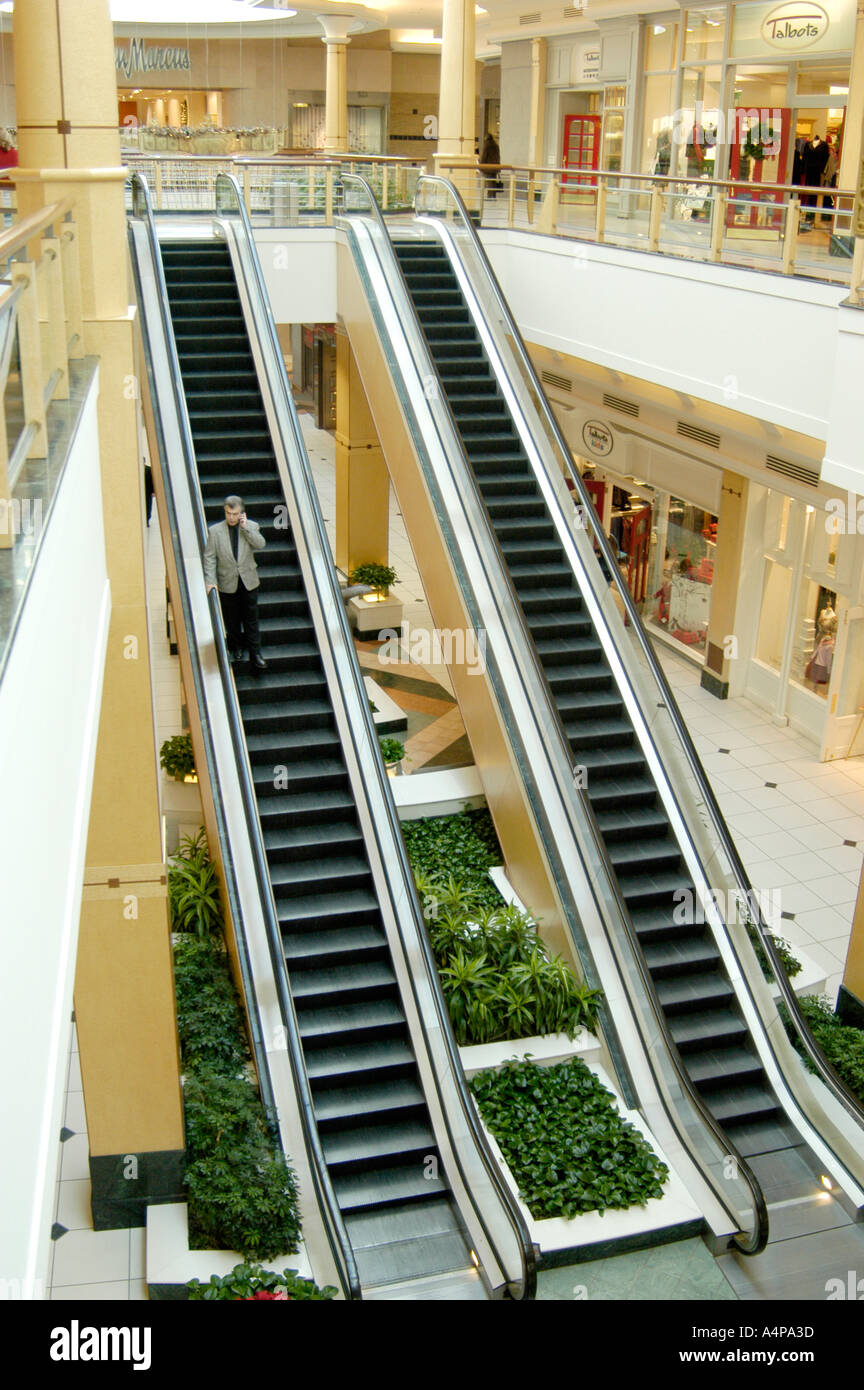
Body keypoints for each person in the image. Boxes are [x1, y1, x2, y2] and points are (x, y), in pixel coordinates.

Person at [203, 495, 267, 669]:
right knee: (232, 620)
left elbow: (261, 544)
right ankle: (236, 648)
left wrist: (246, 528)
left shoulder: (251, 526)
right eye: (228, 513)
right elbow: (209, 558)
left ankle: (256, 653)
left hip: (248, 581)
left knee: (251, 619)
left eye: (235, 514)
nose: (231, 517)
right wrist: (210, 580)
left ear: (241, 514)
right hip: (226, 582)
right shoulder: (215, 531)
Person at [479, 131, 502, 199]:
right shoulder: (496, 145)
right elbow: (498, 156)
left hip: (488, 167)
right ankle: (493, 196)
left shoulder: (487, 145)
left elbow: (484, 156)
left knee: (489, 182)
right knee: (493, 181)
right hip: (495, 167)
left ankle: (490, 196)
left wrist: (481, 166)